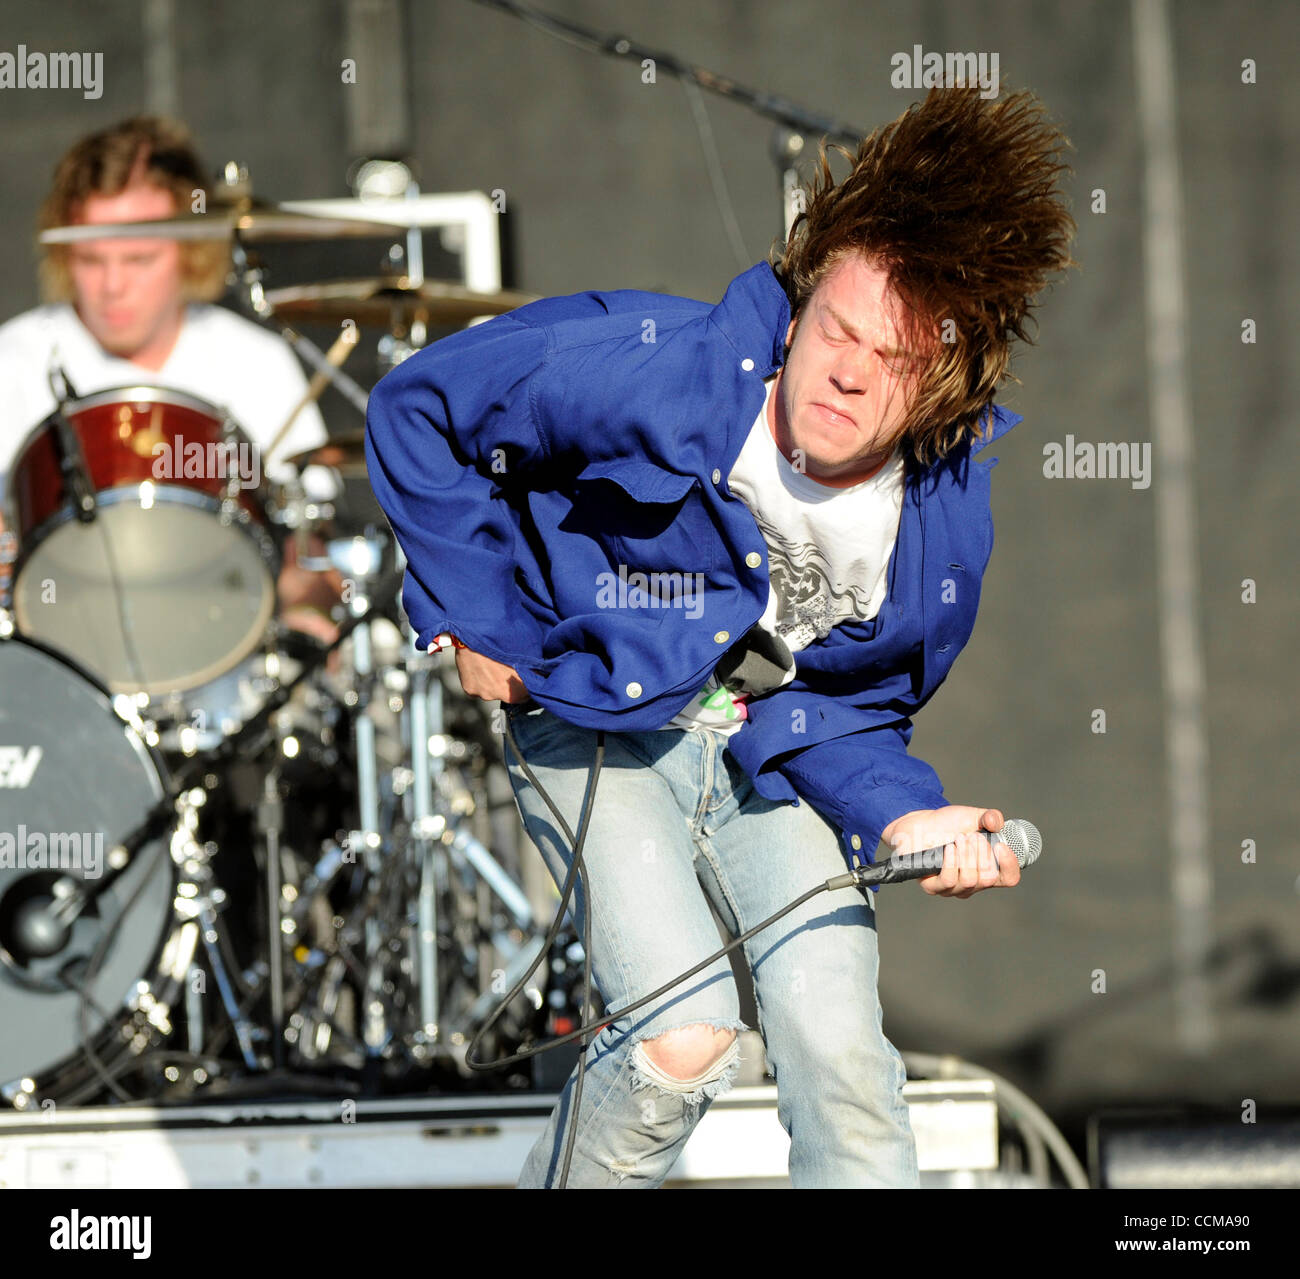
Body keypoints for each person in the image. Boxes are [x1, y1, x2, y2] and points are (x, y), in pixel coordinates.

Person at [365, 86, 1076, 1188]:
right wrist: (476, 611)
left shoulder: (935, 525)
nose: (845, 369)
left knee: (842, 1057)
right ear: (795, 317)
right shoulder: (655, 364)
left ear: (936, 385)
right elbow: (418, 408)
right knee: (680, 1038)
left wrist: (905, 814)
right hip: (597, 724)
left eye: (887, 358)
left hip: (759, 760)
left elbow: (847, 705)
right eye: (835, 329)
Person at [0, 115, 339, 638]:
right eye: (90, 259)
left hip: (223, 662)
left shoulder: (257, 361)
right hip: (56, 657)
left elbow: (310, 548)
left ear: (189, 250)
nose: (112, 285)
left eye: (138, 258)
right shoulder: (13, 359)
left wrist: (309, 612)